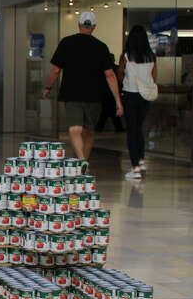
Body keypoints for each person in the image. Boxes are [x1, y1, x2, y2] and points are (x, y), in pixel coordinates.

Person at [44, 11, 123, 161]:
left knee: (75, 129)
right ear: (94, 27)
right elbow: (110, 75)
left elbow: (55, 70)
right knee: (89, 131)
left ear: (79, 25)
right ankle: (83, 162)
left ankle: (81, 161)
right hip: (94, 96)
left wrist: (48, 87)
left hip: (72, 93)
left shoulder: (66, 43)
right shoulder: (101, 47)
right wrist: (118, 100)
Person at [117, 25, 157, 180]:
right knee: (139, 130)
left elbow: (120, 76)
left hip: (130, 95)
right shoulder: (152, 57)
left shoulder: (125, 56)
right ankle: (141, 161)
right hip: (145, 97)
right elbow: (154, 77)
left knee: (132, 132)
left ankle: (135, 169)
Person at [95, 54, 125, 133]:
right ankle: (118, 127)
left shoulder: (101, 69)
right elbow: (120, 79)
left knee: (106, 110)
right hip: (114, 92)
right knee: (109, 110)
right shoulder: (116, 68)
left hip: (104, 92)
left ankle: (99, 127)